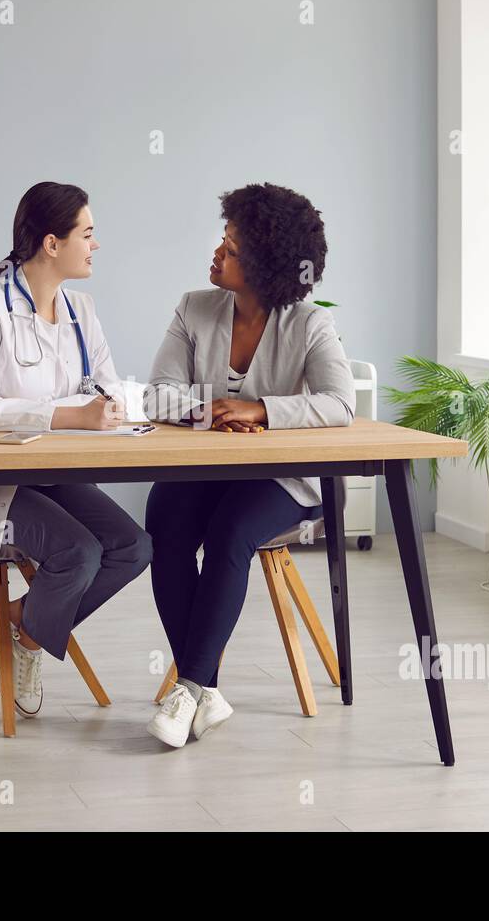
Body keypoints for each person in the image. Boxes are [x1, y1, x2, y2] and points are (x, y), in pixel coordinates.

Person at [142, 183, 355, 748]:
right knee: (164, 518)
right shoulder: (195, 308)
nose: (217, 252)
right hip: (209, 467)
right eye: (224, 240)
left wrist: (262, 409)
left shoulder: (310, 325)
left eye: (231, 248)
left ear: (264, 267)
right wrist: (211, 413)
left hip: (282, 479)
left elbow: (340, 405)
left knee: (229, 532)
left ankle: (185, 688)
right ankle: (205, 691)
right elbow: (156, 394)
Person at [0, 181, 152, 719]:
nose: (96, 245)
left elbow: (103, 384)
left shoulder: (81, 309)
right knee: (77, 552)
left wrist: (113, 407)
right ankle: (30, 629)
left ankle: (22, 627)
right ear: (52, 243)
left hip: (56, 468)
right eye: (88, 233)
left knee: (132, 547)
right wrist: (70, 414)